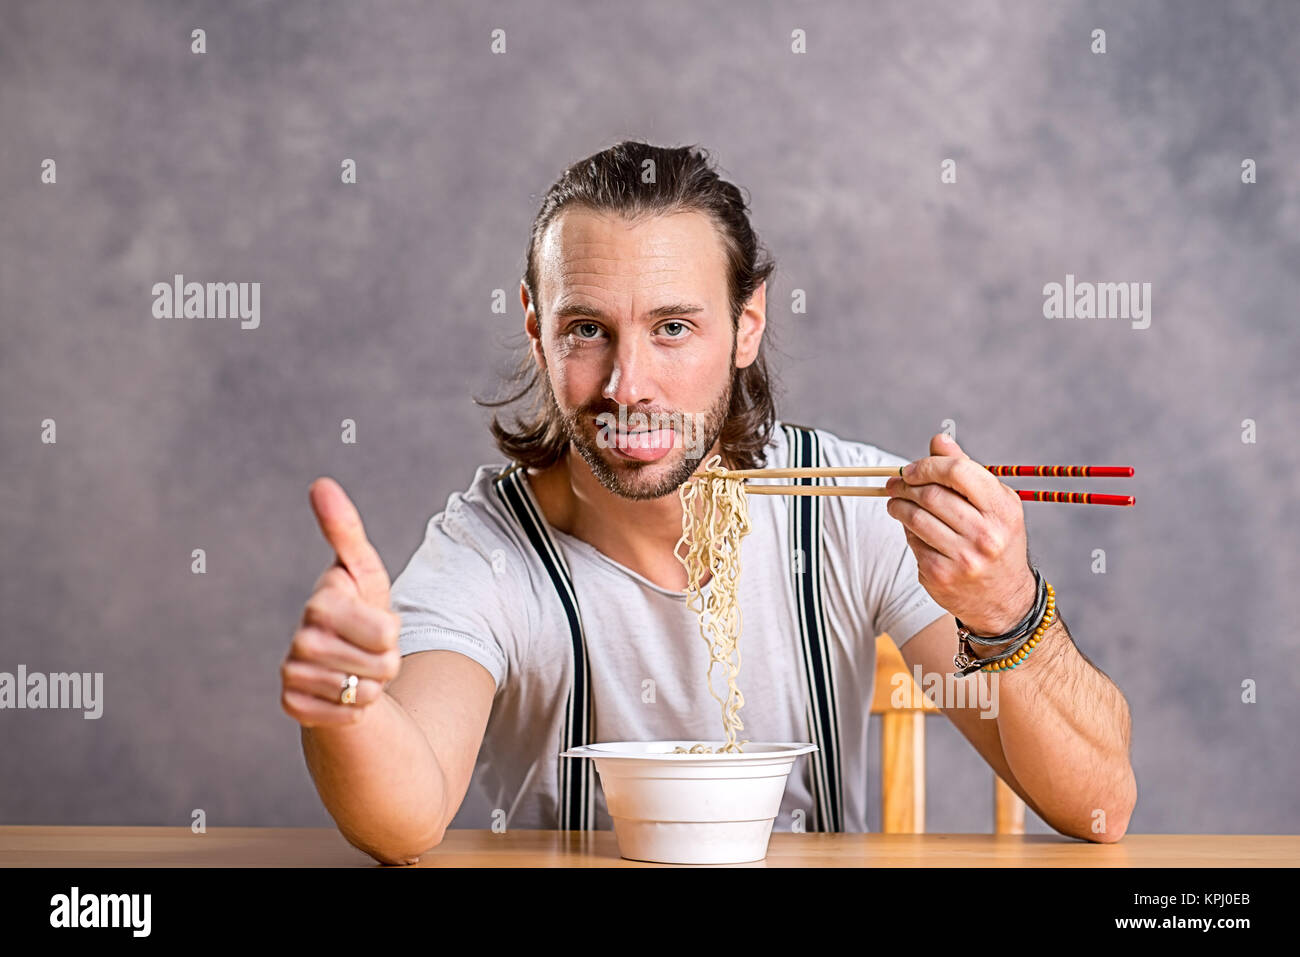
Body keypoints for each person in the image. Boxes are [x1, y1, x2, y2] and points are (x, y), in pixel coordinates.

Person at [280, 141, 1137, 865]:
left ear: (747, 325)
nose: (628, 385)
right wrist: (348, 697)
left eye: (674, 327)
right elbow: (407, 815)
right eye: (587, 329)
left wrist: (1007, 609)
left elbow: (1100, 806)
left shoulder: (853, 509)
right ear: (537, 328)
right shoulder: (488, 550)